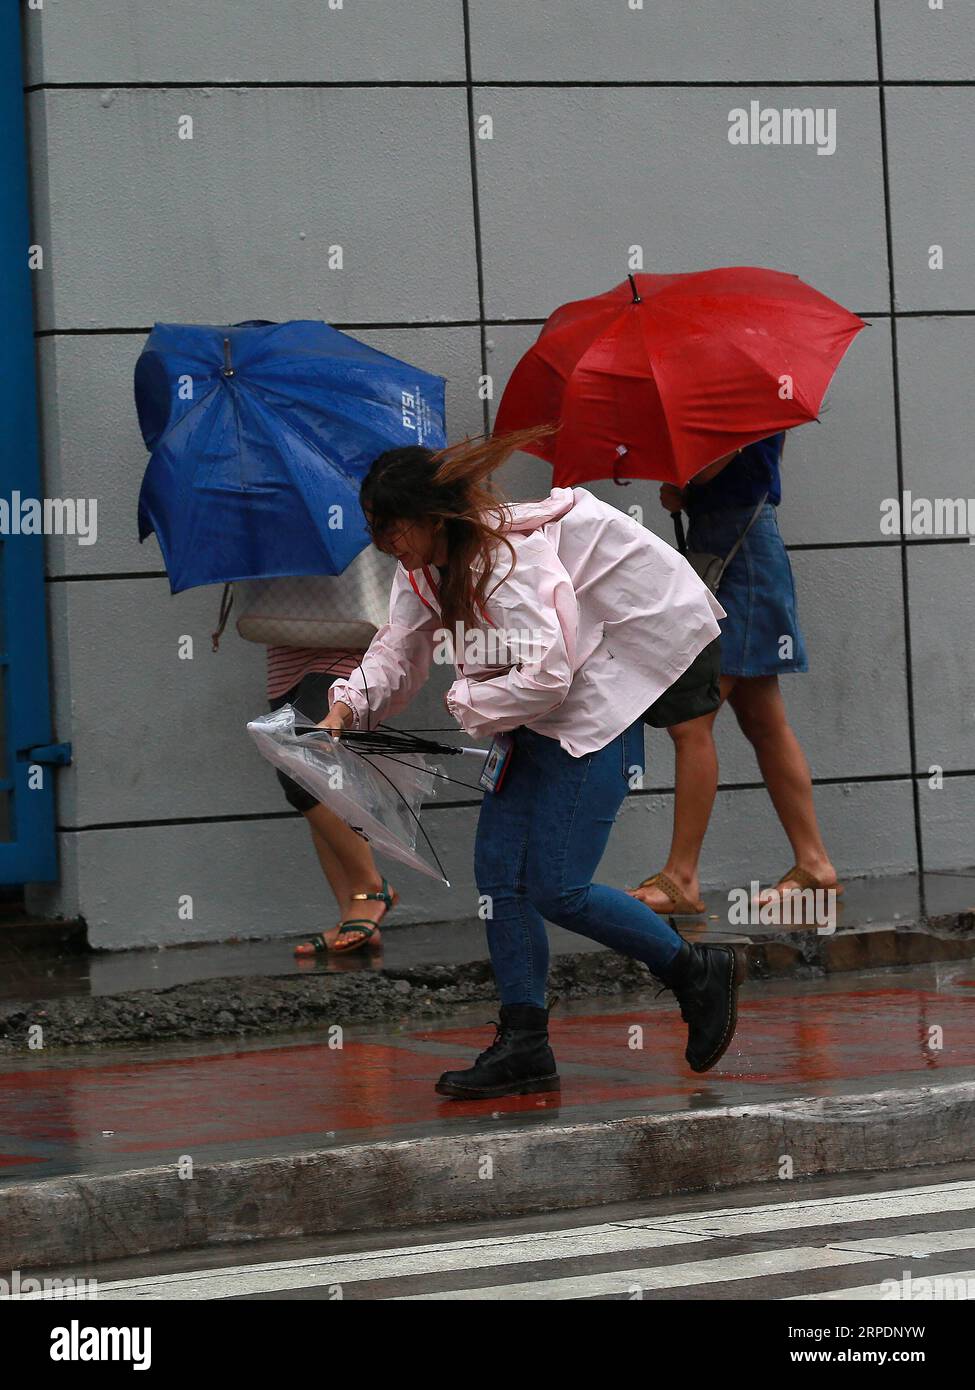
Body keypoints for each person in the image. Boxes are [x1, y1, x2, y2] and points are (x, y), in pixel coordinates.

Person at [317, 428, 746, 1099]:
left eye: (393, 529)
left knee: (556, 887)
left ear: (431, 519)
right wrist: (344, 708)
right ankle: (524, 1044)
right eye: (378, 532)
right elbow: (397, 649)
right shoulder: (423, 570)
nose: (387, 546)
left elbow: (547, 673)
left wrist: (466, 698)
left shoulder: (510, 560)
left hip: (588, 722)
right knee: (499, 881)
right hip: (524, 728)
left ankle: (694, 969)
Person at [627, 433, 842, 918]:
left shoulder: (739, 399)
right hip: (730, 553)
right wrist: (684, 494)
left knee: (691, 722)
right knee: (764, 721)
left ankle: (682, 876)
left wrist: (688, 478)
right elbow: (709, 478)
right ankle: (815, 863)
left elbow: (708, 467)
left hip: (740, 559)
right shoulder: (730, 393)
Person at [266, 644, 399, 956]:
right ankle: (351, 915)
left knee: (304, 770)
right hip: (285, 641)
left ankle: (371, 889)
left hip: (344, 639)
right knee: (317, 784)